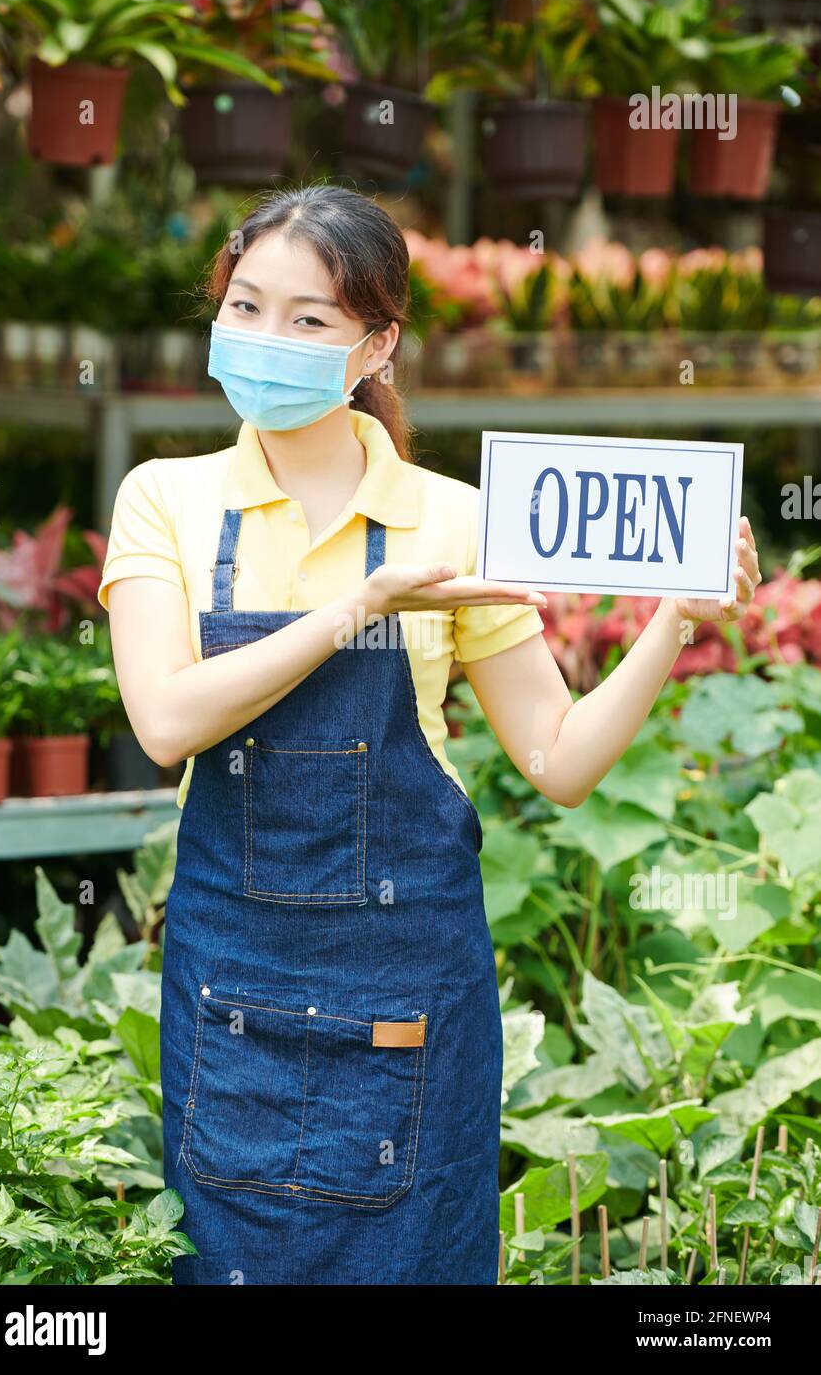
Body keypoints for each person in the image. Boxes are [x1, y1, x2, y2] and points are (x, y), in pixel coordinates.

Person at [97, 184, 761, 1285]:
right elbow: (168, 720)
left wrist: (671, 622)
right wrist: (359, 606)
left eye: (308, 320)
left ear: (376, 343)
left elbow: (559, 761)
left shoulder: (454, 519)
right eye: (246, 306)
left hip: (413, 992)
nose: (267, 339)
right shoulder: (166, 499)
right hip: (235, 999)